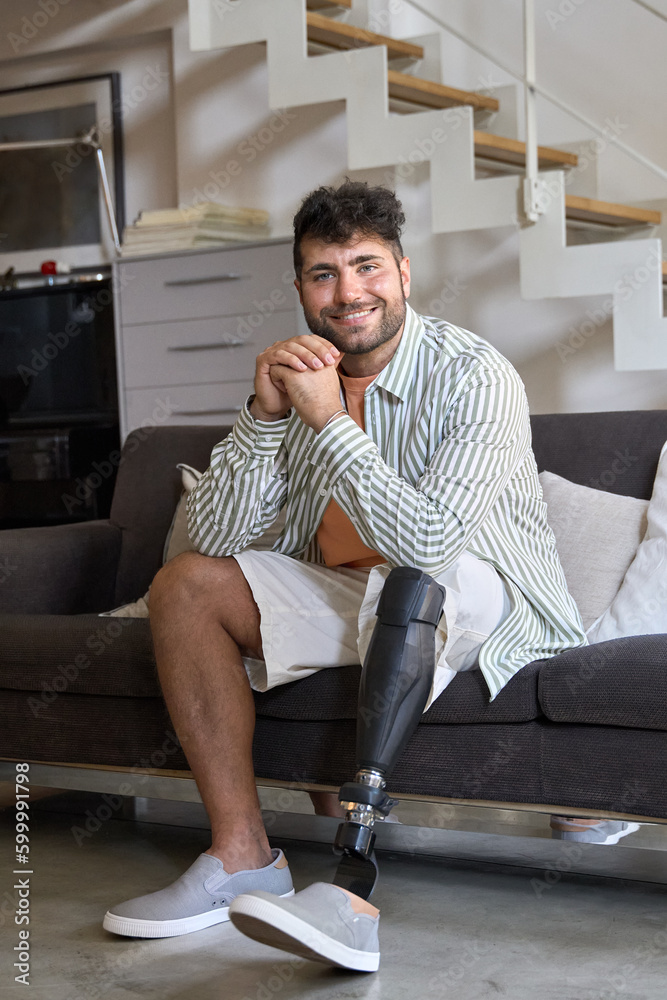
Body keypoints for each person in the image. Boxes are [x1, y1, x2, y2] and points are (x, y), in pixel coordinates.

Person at [103, 181, 587, 971]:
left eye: (365, 266)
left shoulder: (477, 374)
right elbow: (212, 542)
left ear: (401, 272)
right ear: (300, 289)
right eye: (323, 273)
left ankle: (353, 885)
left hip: (477, 592)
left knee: (419, 578)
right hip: (347, 594)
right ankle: (241, 857)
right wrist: (263, 420)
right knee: (187, 584)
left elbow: (428, 543)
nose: (347, 291)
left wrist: (329, 421)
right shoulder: (293, 380)